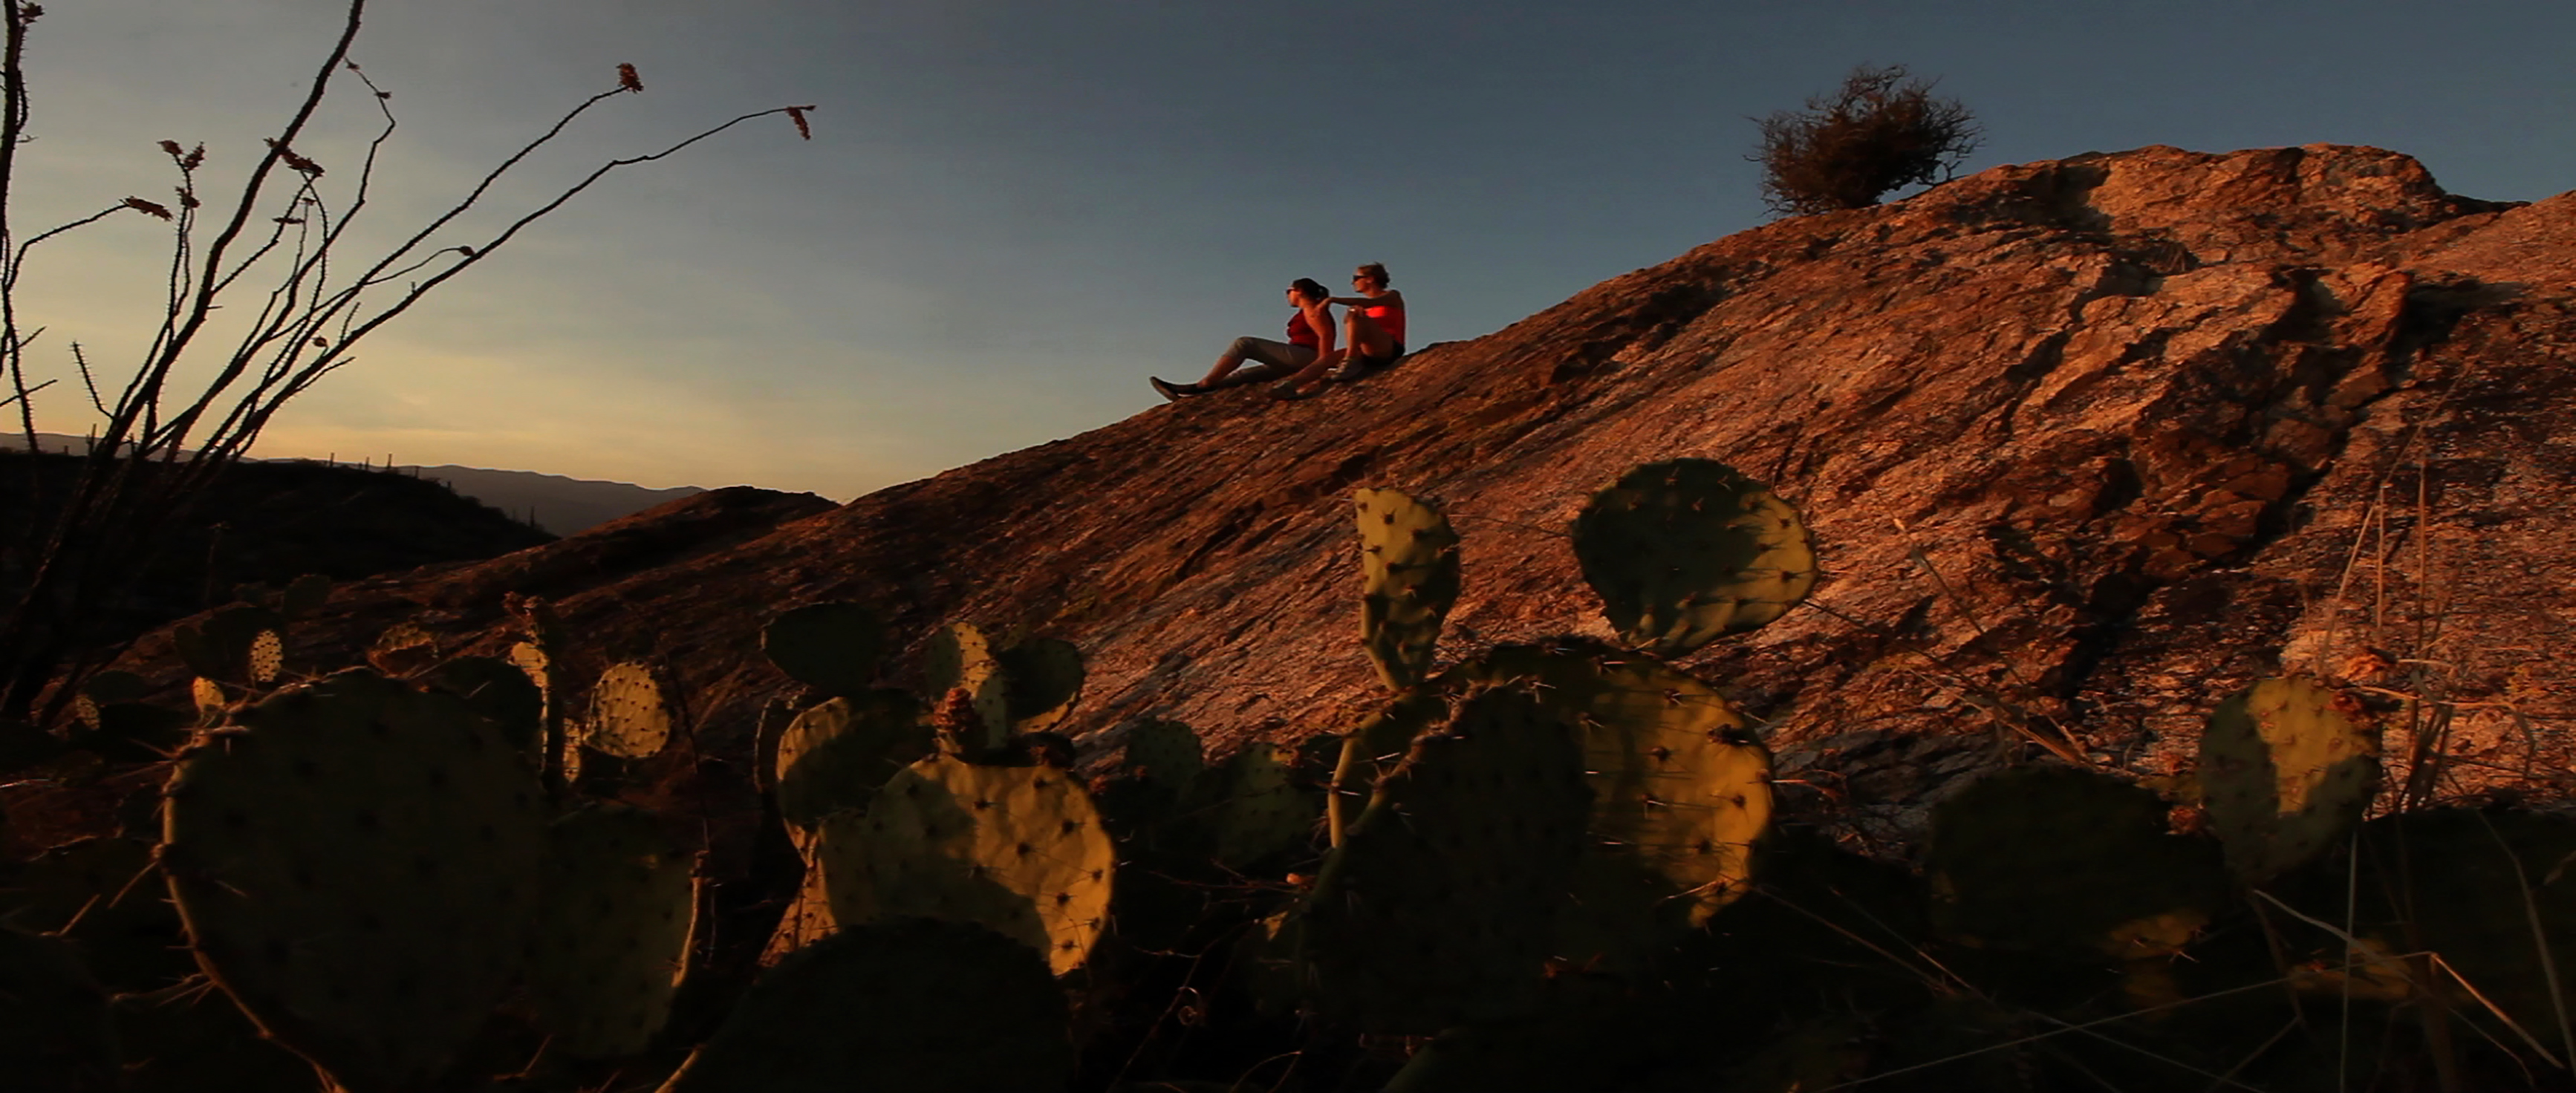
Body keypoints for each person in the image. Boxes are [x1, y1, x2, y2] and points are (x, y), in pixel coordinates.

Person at [1149, 278, 1344, 401]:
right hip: (1298, 359)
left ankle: (1203, 385)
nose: (1287, 295)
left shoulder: (1312, 309)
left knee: (1245, 343)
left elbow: (1327, 335)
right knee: (1242, 376)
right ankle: (1190, 393)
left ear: (1299, 291)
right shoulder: (1308, 310)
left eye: (1289, 291)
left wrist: (1322, 364)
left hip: (1308, 358)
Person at [1272, 263, 1408, 399]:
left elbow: (1371, 303)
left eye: (1356, 278)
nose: (1353, 282)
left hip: (1389, 347)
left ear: (1370, 279)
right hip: (1366, 351)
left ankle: (1350, 360)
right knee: (1327, 359)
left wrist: (1333, 300)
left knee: (1353, 311)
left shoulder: (1392, 296)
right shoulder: (1363, 308)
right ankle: (1290, 386)